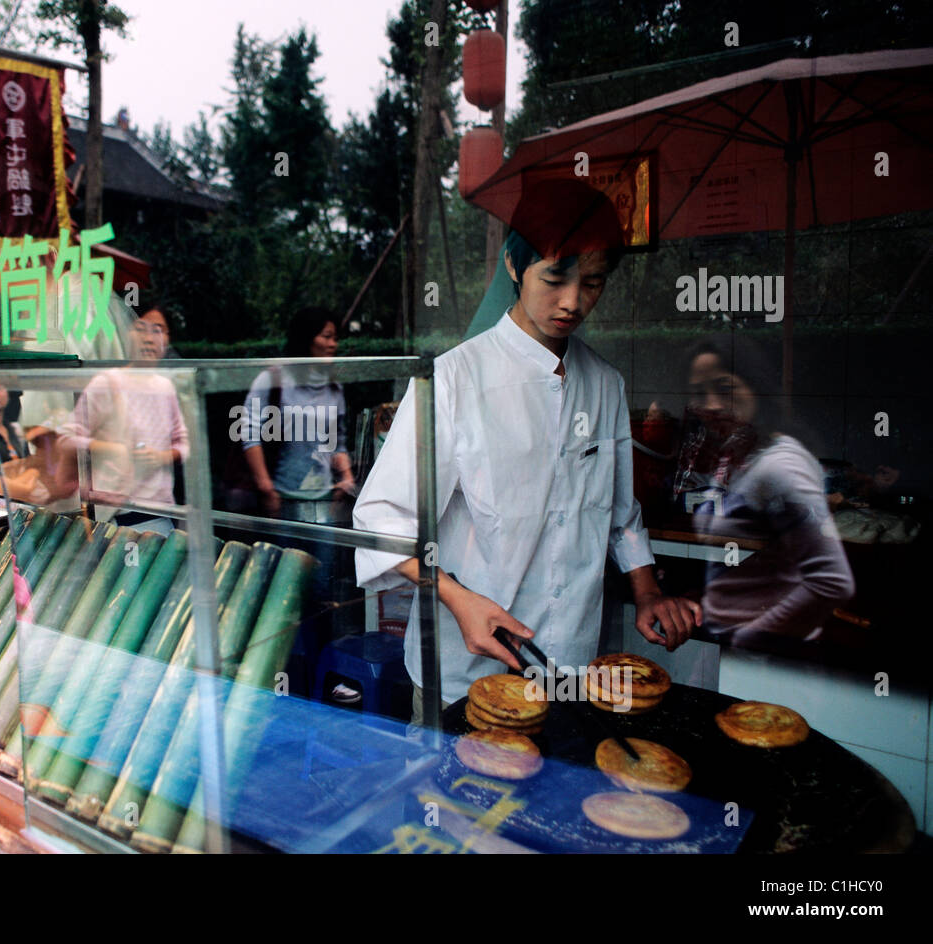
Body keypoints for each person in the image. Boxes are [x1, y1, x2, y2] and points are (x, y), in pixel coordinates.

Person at [353, 178, 701, 722]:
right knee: (463, 804)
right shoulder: (453, 380)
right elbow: (382, 519)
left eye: (593, 283)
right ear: (515, 268)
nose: (572, 302)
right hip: (467, 671)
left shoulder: (604, 384)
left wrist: (649, 591)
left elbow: (617, 512)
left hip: (569, 667)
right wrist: (457, 598)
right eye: (555, 278)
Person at [678, 338, 855, 648]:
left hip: (772, 659)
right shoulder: (738, 457)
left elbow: (831, 581)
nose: (712, 404)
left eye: (725, 389)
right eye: (699, 393)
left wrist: (748, 636)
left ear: (755, 387)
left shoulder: (782, 463)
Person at [65, 306, 189, 535]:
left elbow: (184, 445)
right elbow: (68, 439)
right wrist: (113, 449)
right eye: (141, 329)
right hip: (117, 519)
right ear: (126, 334)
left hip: (162, 516)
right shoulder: (107, 382)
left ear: (167, 340)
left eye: (158, 330)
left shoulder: (166, 386)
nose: (149, 339)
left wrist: (161, 456)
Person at [241, 307, 356, 521]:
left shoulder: (334, 388)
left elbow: (336, 442)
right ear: (307, 338)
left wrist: (346, 477)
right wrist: (265, 487)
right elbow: (249, 432)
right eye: (327, 336)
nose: (333, 344)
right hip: (280, 501)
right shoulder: (272, 380)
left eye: (335, 338)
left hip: (322, 503)